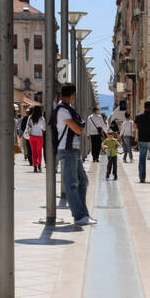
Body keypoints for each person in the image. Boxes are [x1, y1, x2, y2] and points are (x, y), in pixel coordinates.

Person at [55, 82, 95, 226]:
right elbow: (77, 129)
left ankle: (83, 214)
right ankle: (79, 216)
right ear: (72, 95)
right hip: (67, 149)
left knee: (83, 181)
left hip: (73, 149)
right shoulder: (63, 110)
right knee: (71, 184)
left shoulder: (67, 109)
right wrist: (79, 125)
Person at [135, 100, 150, 183]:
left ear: (144, 107)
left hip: (141, 140)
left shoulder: (138, 116)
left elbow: (134, 127)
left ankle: (142, 177)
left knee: (142, 158)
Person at [27, 103, 45, 172]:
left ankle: (34, 166)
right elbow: (44, 128)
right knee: (39, 151)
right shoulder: (41, 118)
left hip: (32, 136)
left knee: (33, 152)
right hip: (39, 136)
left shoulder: (30, 117)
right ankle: (39, 165)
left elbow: (28, 126)